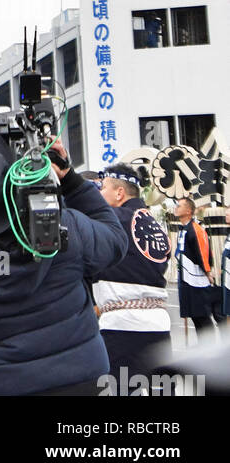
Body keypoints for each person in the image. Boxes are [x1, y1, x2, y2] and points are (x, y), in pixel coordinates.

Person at [0, 132, 127, 395]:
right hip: (85, 380)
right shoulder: (63, 227)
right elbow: (116, 242)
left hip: (7, 386)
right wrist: (71, 182)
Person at [93, 162, 173, 389]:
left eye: (103, 187)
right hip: (158, 325)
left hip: (123, 327)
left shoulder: (114, 219)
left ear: (119, 193)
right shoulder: (153, 223)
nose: (100, 193)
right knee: (161, 390)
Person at [174, 196, 220, 338]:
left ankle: (209, 348)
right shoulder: (183, 229)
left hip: (197, 280)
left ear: (188, 211)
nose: (176, 208)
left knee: (202, 317)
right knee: (195, 316)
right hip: (187, 279)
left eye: (179, 205)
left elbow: (204, 251)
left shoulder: (196, 229)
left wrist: (207, 271)